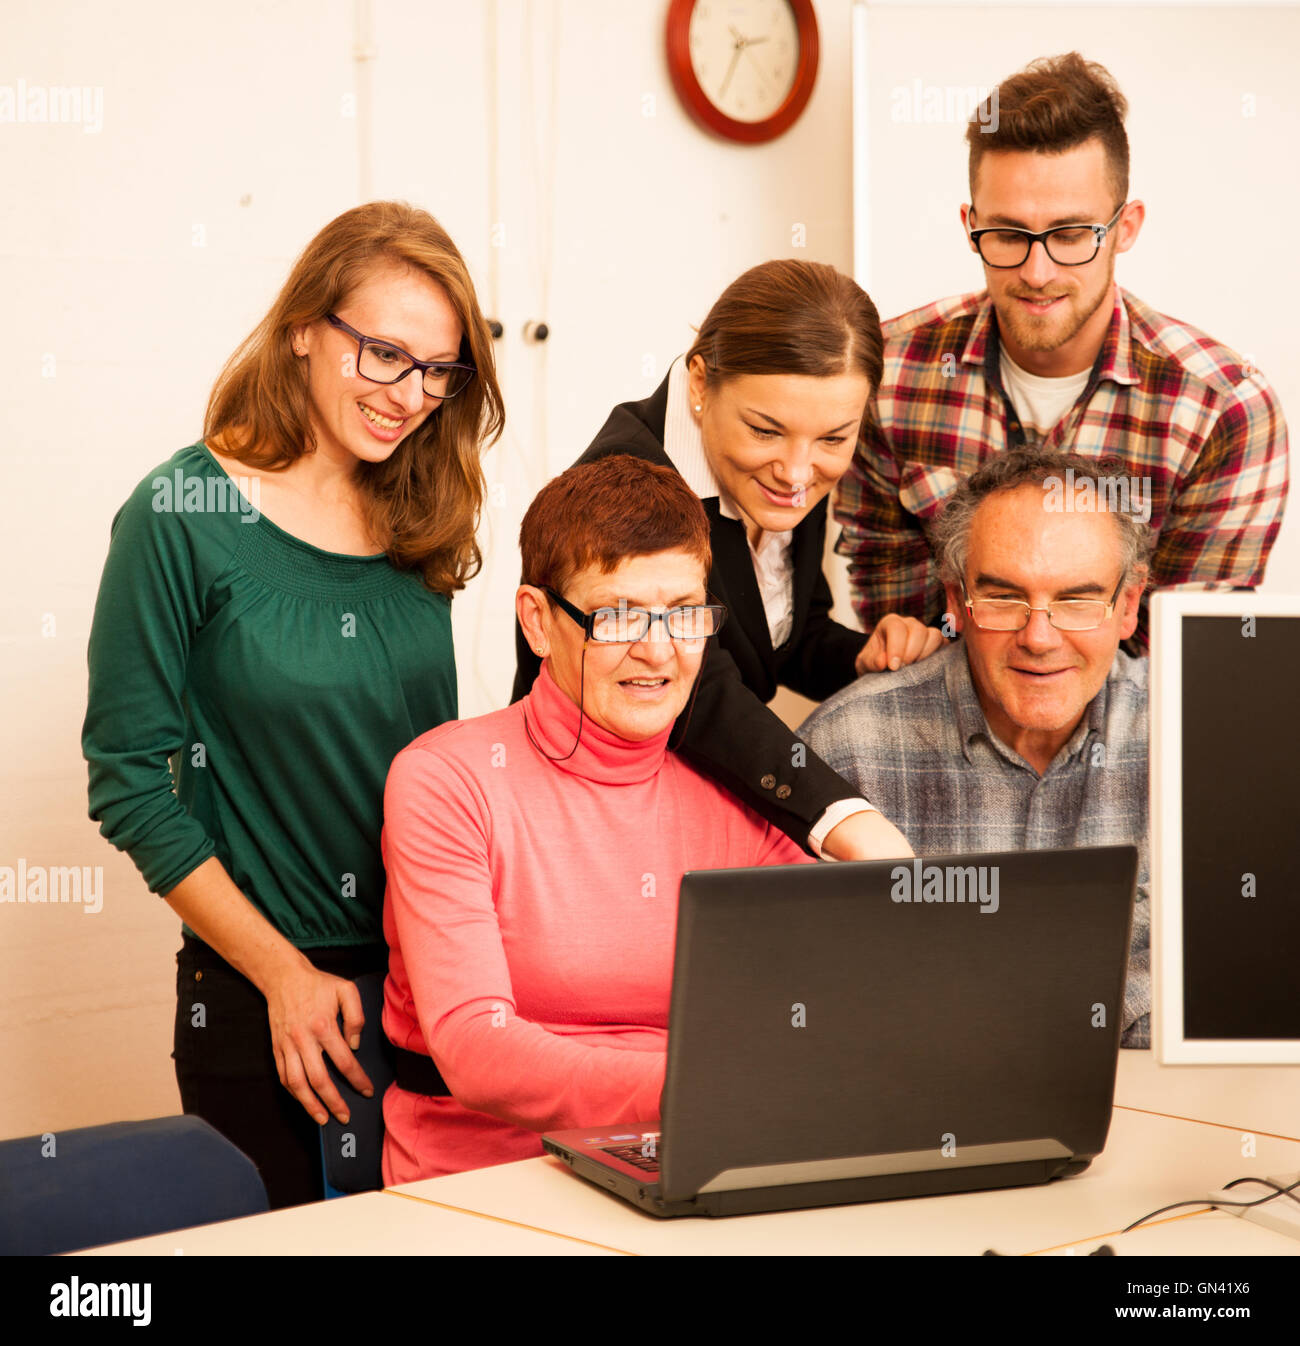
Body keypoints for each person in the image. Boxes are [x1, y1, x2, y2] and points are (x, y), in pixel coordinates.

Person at [81, 201, 504, 1208]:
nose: (410, 395)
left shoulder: (419, 506)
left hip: (427, 976)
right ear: (306, 325)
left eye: (437, 371)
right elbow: (130, 781)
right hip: (263, 990)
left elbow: (426, 760)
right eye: (384, 354)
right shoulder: (183, 514)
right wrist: (281, 973)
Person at [382, 455, 814, 1182]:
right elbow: (476, 1051)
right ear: (539, 622)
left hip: (696, 1163)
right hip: (489, 1180)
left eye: (683, 613)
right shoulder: (448, 781)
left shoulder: (736, 788)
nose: (657, 650)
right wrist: (707, 1090)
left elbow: (823, 993)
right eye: (617, 616)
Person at [835, 51, 1288, 653]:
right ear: (970, 225)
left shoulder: (1225, 410)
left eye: (1071, 235)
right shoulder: (888, 374)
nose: (1037, 270)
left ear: (1126, 227)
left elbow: (1173, 660)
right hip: (937, 727)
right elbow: (907, 624)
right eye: (1008, 234)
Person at [514, 260, 941, 862]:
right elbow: (693, 685)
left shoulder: (784, 469)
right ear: (699, 383)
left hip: (697, 808)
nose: (797, 473)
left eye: (834, 439)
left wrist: (866, 656)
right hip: (587, 823)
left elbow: (782, 634)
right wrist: (845, 819)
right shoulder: (624, 484)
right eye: (765, 431)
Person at [802, 448, 1152, 1047]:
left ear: (1127, 606)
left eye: (1076, 599)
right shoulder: (844, 750)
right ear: (957, 603)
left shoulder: (1206, 749)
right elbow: (794, 1000)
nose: (1039, 638)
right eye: (1003, 597)